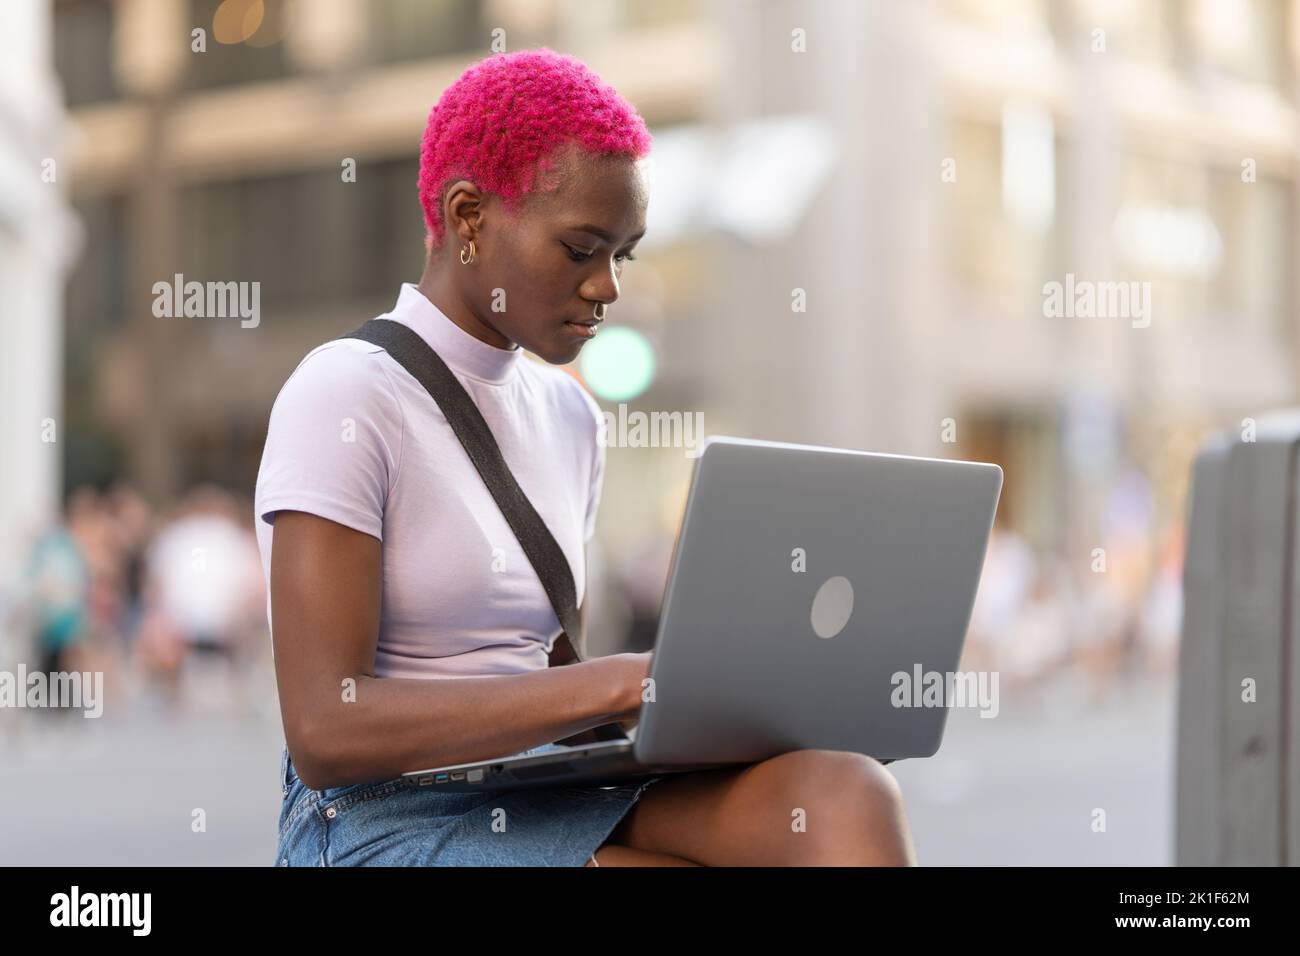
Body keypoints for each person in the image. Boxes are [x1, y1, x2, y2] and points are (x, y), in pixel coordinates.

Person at [256, 48, 914, 867]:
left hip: (538, 785)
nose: (607, 286)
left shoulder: (569, 413)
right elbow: (325, 728)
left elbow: (542, 661)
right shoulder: (348, 392)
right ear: (467, 218)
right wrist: (624, 681)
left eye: (623, 254)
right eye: (580, 249)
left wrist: (712, 702)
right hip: (382, 810)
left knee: (843, 795)